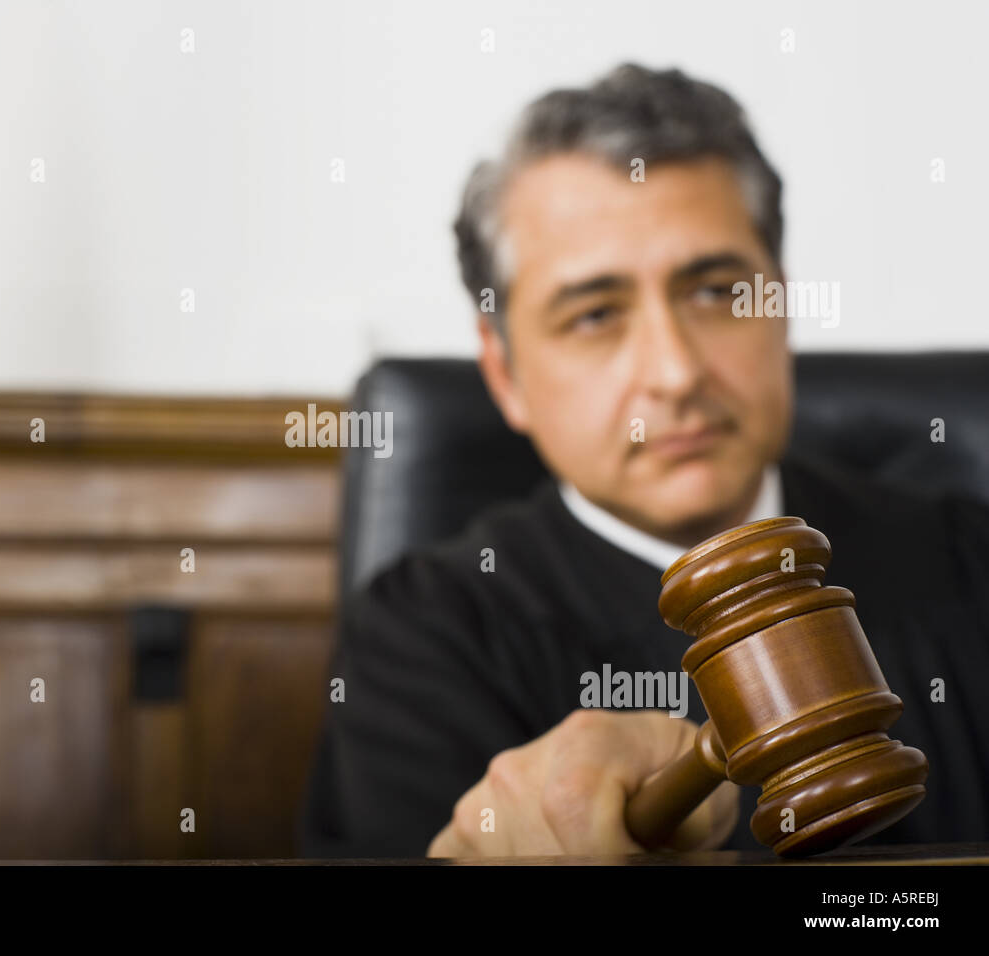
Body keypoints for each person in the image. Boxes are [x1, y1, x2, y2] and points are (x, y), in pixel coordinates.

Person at [297, 63, 989, 858]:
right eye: (594, 314)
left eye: (717, 292)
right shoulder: (428, 636)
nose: (676, 372)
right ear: (505, 373)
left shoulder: (970, 558)